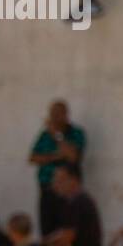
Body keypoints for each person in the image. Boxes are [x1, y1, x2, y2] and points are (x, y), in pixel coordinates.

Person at [28, 100, 86, 236]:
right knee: (47, 229)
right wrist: (56, 156)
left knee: (68, 228)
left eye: (57, 114)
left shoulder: (76, 133)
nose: (53, 117)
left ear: (66, 115)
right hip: (47, 188)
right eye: (51, 113)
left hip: (67, 192)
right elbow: (33, 158)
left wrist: (57, 135)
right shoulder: (45, 134)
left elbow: (72, 156)